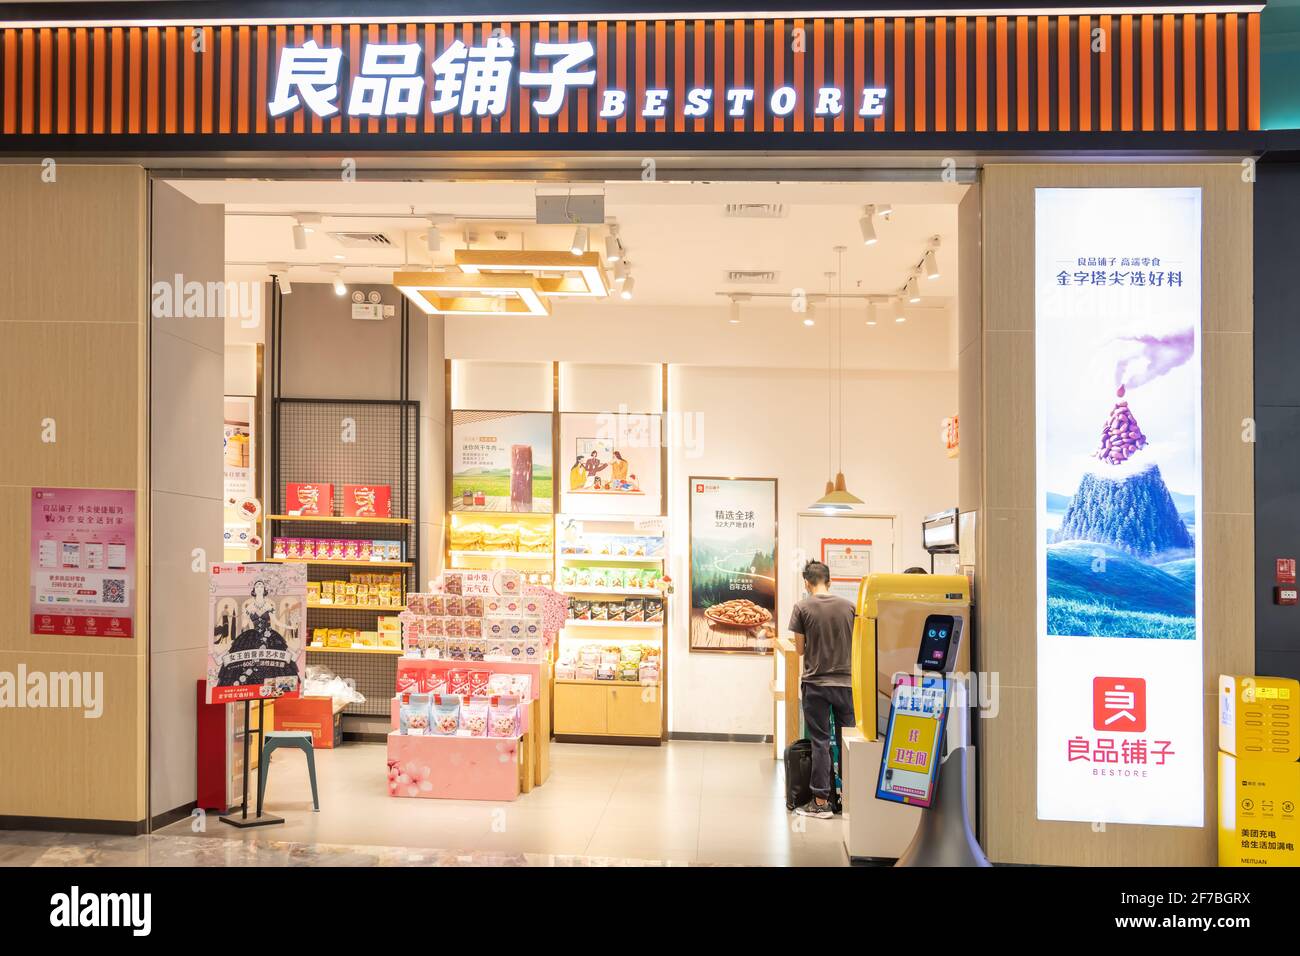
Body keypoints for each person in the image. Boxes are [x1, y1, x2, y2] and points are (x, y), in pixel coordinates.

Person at [788, 559, 856, 818]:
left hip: (816, 684)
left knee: (820, 742)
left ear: (806, 582)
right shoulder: (850, 607)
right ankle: (850, 798)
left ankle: (820, 802)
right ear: (829, 580)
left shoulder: (802, 607)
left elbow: (800, 649)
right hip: (847, 684)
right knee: (847, 741)